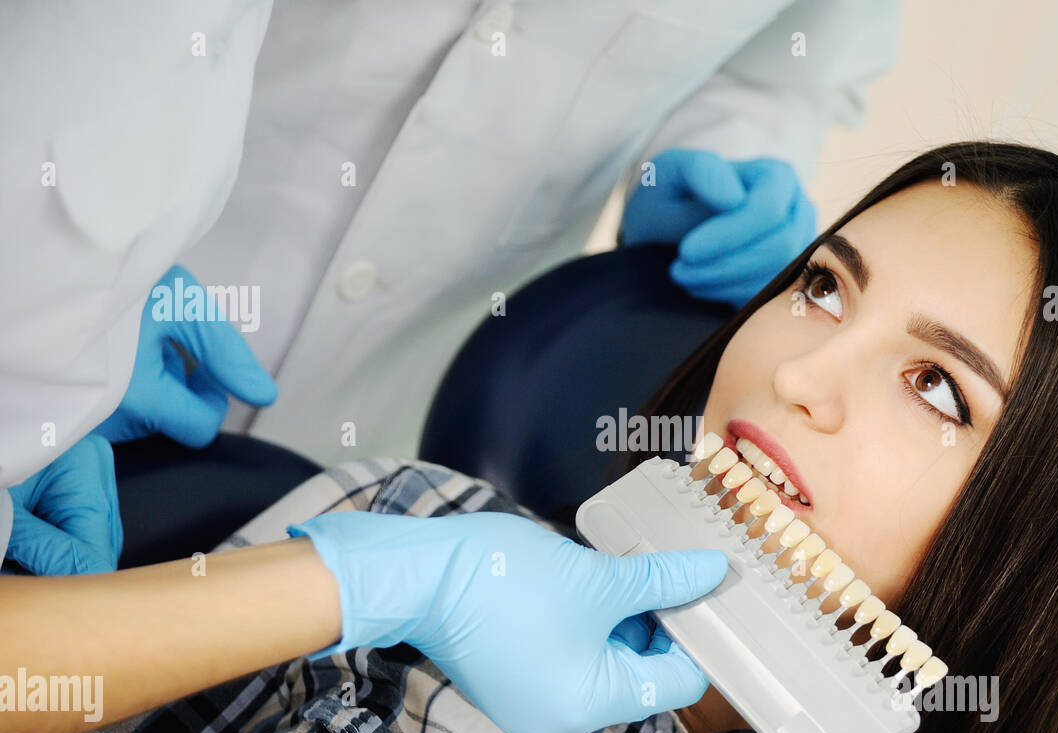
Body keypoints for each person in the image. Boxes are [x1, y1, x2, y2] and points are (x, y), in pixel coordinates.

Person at [0, 142, 1058, 733]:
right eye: (819, 286)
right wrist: (362, 582)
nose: (794, 373)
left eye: (933, 385)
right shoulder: (427, 532)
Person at [0, 0, 900, 573]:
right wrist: (61, 295)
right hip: (89, 267)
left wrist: (719, 165)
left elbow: (784, 71)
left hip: (400, 388)